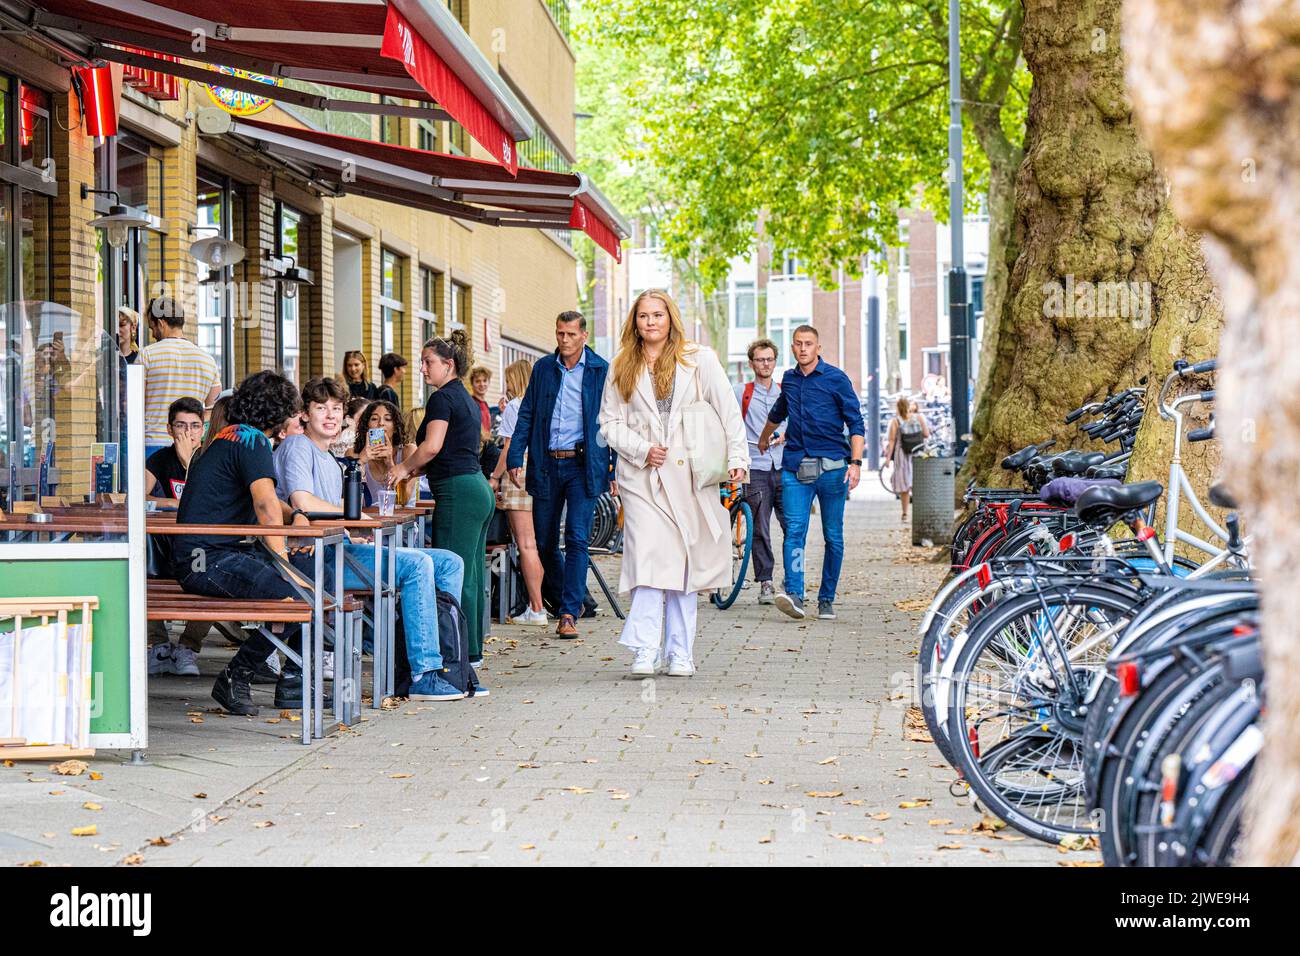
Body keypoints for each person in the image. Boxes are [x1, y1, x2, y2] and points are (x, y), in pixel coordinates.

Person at [275, 377, 467, 701]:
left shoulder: (332, 463)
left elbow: (333, 513)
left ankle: (449, 662)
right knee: (417, 565)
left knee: (449, 562)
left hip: (340, 547)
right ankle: (423, 673)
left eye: (336, 408)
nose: (330, 415)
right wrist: (354, 516)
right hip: (312, 557)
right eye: (320, 408)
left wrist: (351, 527)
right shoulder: (297, 446)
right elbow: (302, 503)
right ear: (304, 414)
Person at [599, 289, 748, 676]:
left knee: (685, 566)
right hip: (643, 478)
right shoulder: (620, 366)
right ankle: (645, 648)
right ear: (635, 321)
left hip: (690, 476)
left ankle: (680, 652)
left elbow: (728, 410)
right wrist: (641, 448)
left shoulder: (699, 359)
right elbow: (609, 422)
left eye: (658, 315)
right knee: (648, 560)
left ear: (671, 319)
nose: (651, 322)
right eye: (644, 316)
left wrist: (738, 459)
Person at [172, 370, 316, 716]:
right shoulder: (252, 441)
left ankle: (293, 681)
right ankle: (236, 675)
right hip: (206, 559)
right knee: (297, 595)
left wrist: (296, 513)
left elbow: (270, 501)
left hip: (207, 556)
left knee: (309, 580)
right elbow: (266, 507)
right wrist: (285, 567)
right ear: (276, 412)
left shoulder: (232, 437)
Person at [388, 331, 495, 670]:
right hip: (476, 489)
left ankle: (455, 653)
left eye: (428, 362)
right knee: (472, 573)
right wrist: (419, 470)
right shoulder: (463, 397)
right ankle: (471, 649)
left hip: (458, 492)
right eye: (421, 362)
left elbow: (432, 445)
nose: (422, 368)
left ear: (448, 364)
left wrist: (404, 467)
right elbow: (450, 447)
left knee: (451, 572)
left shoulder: (441, 399)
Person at [505, 311, 614, 639]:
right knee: (545, 542)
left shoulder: (600, 370)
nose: (564, 340)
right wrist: (514, 454)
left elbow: (614, 420)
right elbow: (527, 413)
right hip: (546, 465)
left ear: (584, 335)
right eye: (559, 334)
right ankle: (574, 598)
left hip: (584, 466)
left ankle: (568, 612)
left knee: (577, 537)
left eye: (570, 334)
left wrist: (615, 467)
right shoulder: (543, 369)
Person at [758, 324, 865, 622]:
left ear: (818, 348)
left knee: (833, 536)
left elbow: (856, 423)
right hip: (796, 468)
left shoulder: (836, 379)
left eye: (808, 344)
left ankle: (827, 599)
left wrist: (855, 464)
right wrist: (765, 437)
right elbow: (778, 412)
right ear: (792, 348)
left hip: (833, 471)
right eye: (798, 344)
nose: (803, 348)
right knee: (794, 532)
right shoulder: (789, 380)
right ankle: (795, 594)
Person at [144, 396, 211, 677]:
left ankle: (187, 646)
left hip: (203, 544)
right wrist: (174, 503)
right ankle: (159, 646)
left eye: (195, 426)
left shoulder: (211, 457)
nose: (188, 432)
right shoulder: (160, 458)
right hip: (167, 542)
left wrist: (188, 462)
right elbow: (140, 495)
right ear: (169, 429)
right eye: (181, 425)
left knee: (212, 581)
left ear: (203, 428)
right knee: (139, 573)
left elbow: (209, 500)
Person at [488, 358, 548, 626]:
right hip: (540, 472)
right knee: (534, 544)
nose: (507, 384)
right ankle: (539, 604)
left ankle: (536, 608)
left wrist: (494, 476)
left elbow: (508, 448)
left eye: (509, 379)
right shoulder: (542, 403)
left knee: (525, 544)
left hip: (518, 473)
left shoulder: (515, 406)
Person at [734, 338, 787, 605]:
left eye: (769, 359)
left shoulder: (785, 392)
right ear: (752, 363)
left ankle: (793, 581)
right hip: (755, 466)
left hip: (785, 466)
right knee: (759, 528)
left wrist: (784, 433)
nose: (765, 364)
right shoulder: (741, 393)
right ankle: (766, 582)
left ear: (775, 362)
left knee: (793, 526)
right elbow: (729, 424)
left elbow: (797, 422)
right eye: (760, 359)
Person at [139, 297, 222, 460]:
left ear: (161, 323)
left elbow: (136, 403)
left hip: (154, 442)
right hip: (192, 445)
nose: (153, 334)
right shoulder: (207, 360)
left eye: (152, 328)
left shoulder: (147, 355)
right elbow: (212, 411)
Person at [351, 399, 418, 507]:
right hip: (368, 521)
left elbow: (403, 501)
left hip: (403, 522)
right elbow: (350, 502)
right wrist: (361, 462)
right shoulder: (354, 454)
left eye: (388, 419)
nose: (381, 423)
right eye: (374, 419)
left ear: (396, 427)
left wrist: (390, 463)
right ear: (366, 426)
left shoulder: (408, 452)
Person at [885, 395, 930, 520]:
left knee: (904, 486)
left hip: (902, 455)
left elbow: (892, 441)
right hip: (917, 453)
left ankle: (905, 513)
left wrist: (888, 458)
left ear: (898, 407)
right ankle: (921, 514)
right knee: (918, 483)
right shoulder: (919, 417)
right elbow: (926, 434)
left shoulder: (895, 421)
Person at [469, 365, 494, 434]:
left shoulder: (485, 404)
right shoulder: (470, 403)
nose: (482, 384)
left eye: (485, 380)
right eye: (477, 381)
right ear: (472, 383)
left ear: (489, 382)